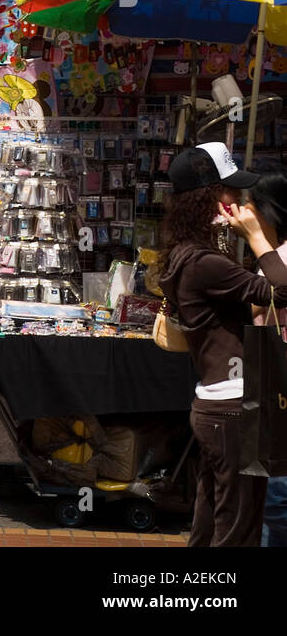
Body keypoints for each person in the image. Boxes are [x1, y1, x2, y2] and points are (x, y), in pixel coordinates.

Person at [159, 143, 287, 547]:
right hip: (235, 408)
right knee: (238, 530)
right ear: (210, 197)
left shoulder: (187, 256)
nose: (239, 200)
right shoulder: (203, 262)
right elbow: (281, 291)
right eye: (231, 190)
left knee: (211, 522)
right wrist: (256, 238)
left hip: (217, 404)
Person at [243, 168, 287, 547]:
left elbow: (264, 312)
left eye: (248, 206)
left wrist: (256, 241)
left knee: (276, 502)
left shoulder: (276, 258)